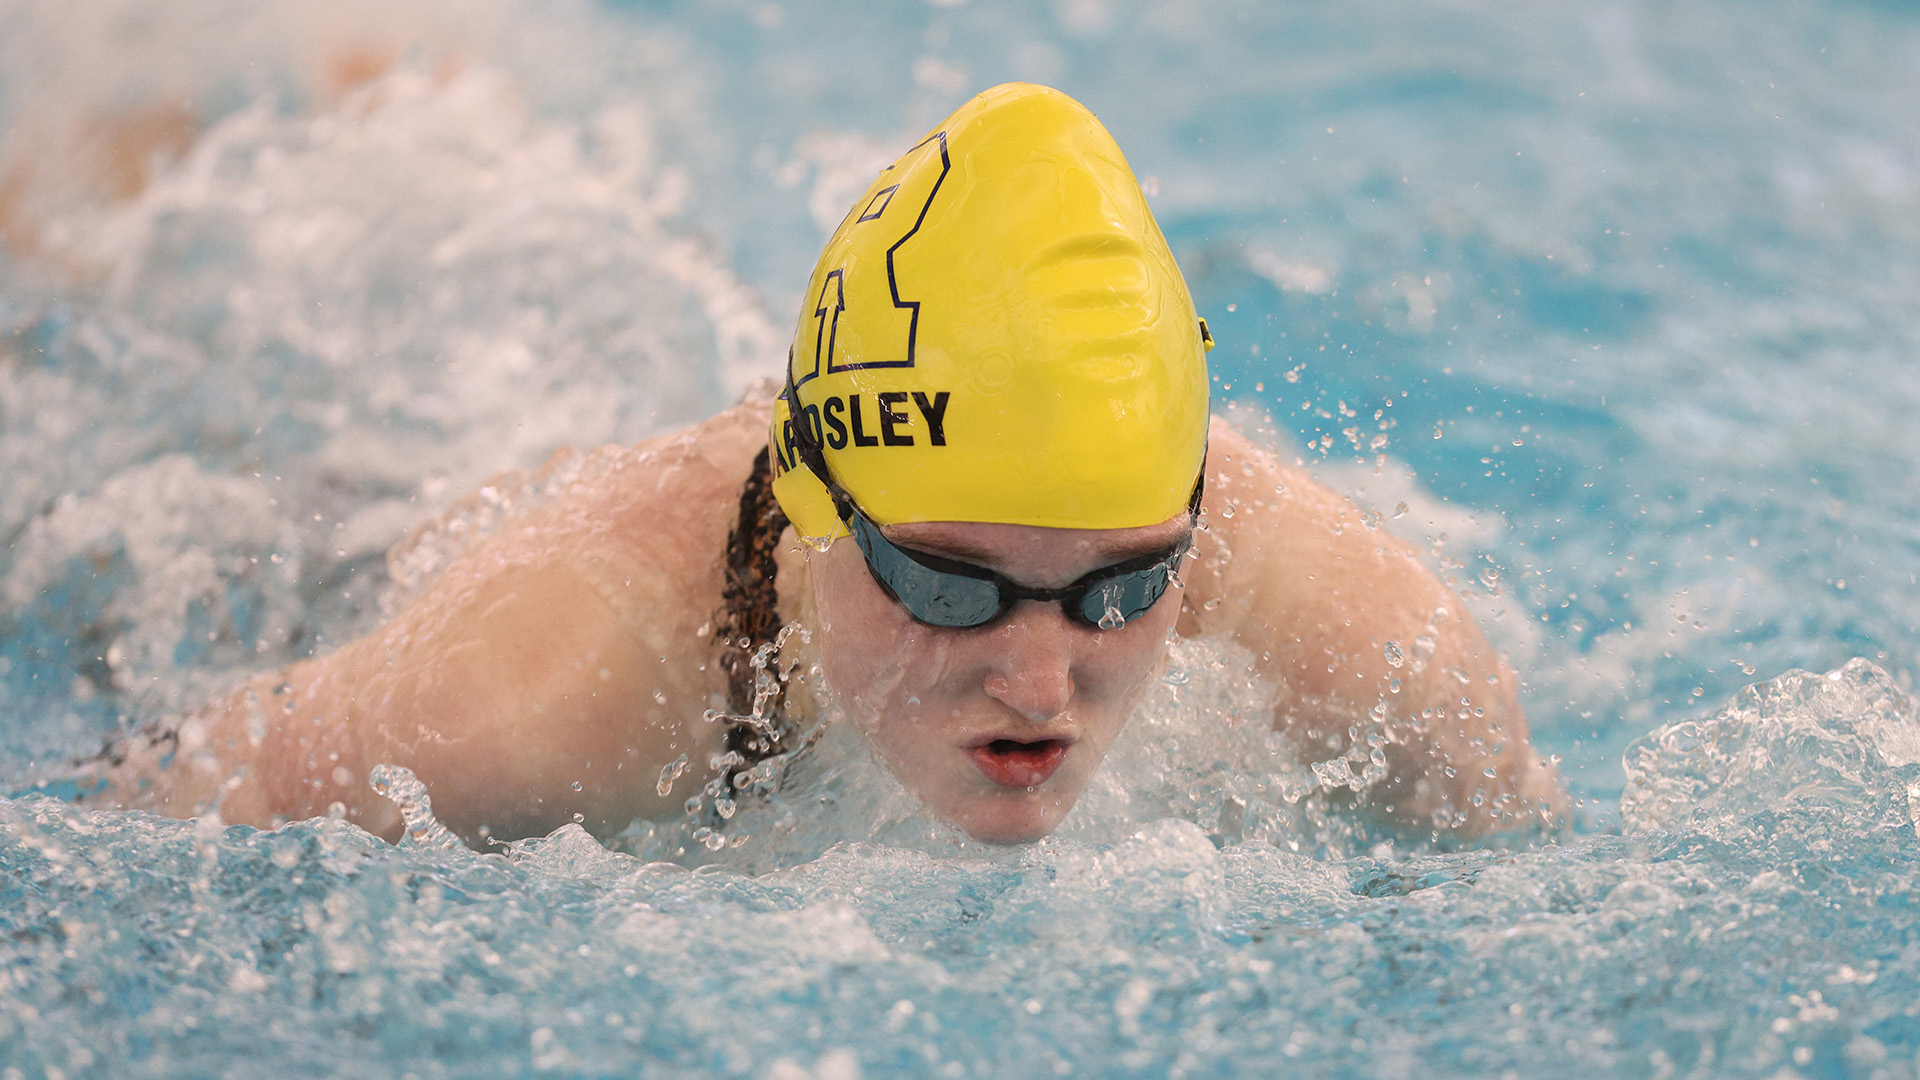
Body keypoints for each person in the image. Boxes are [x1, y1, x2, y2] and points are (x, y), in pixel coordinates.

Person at [84, 83, 1565, 848]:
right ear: (816, 505)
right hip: (366, 534)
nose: (1042, 682)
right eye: (948, 581)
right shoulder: (535, 693)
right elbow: (126, 816)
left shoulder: (1374, 652)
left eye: (1123, 590)